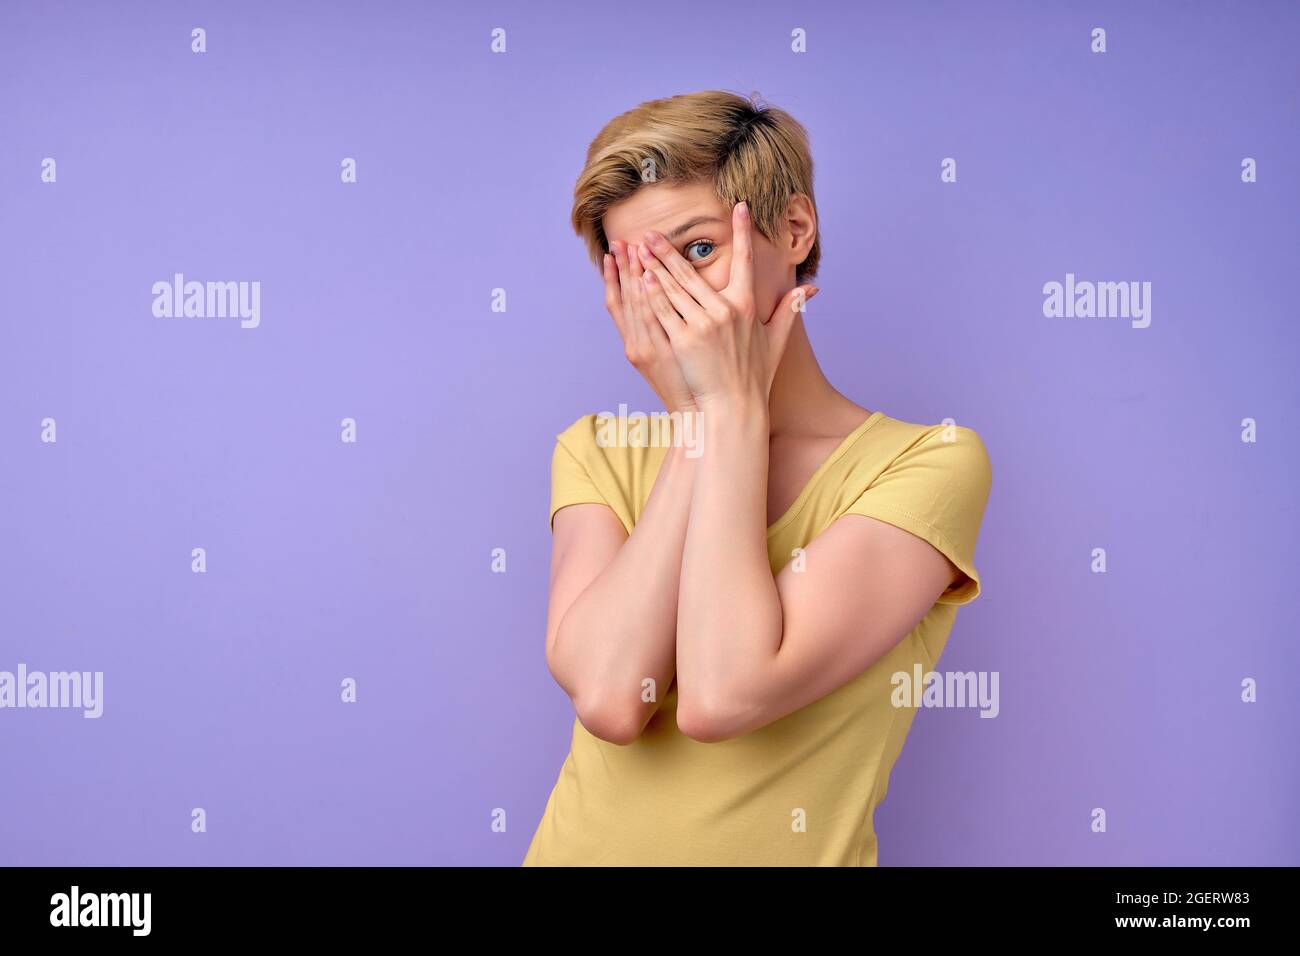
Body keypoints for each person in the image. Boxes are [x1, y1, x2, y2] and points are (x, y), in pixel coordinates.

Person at [523, 90, 992, 866]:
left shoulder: (925, 463)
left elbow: (723, 694)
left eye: (700, 249)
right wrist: (702, 425)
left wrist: (728, 412)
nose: (679, 297)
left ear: (795, 230)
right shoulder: (596, 450)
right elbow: (610, 698)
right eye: (645, 270)